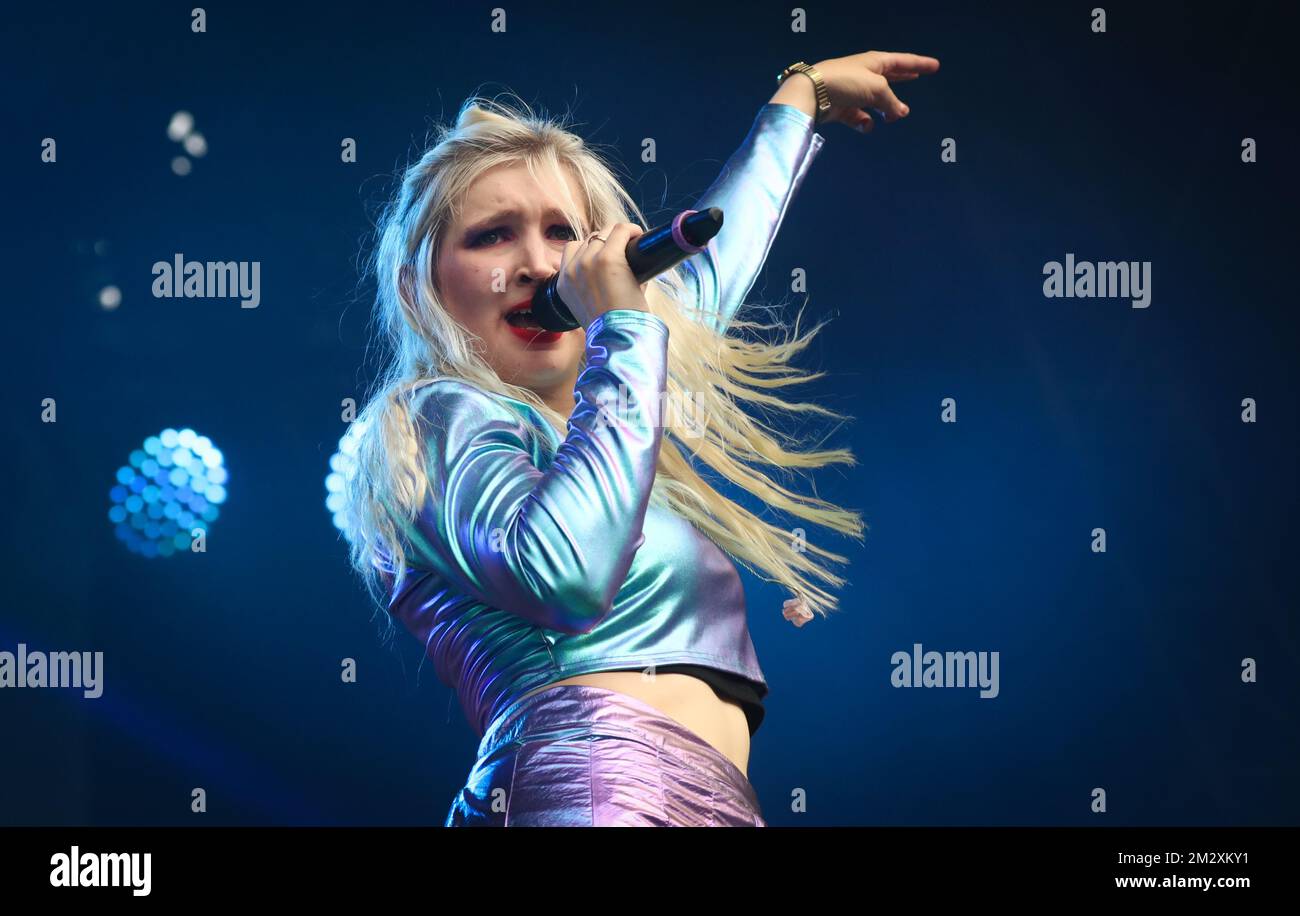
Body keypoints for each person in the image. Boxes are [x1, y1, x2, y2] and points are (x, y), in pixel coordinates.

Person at [342, 50, 940, 826]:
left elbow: (715, 262)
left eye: (564, 233)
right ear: (417, 282)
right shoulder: (435, 416)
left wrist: (800, 97)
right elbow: (564, 572)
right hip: (598, 782)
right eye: (492, 236)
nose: (538, 265)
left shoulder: (604, 409)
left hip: (699, 796)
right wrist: (624, 326)